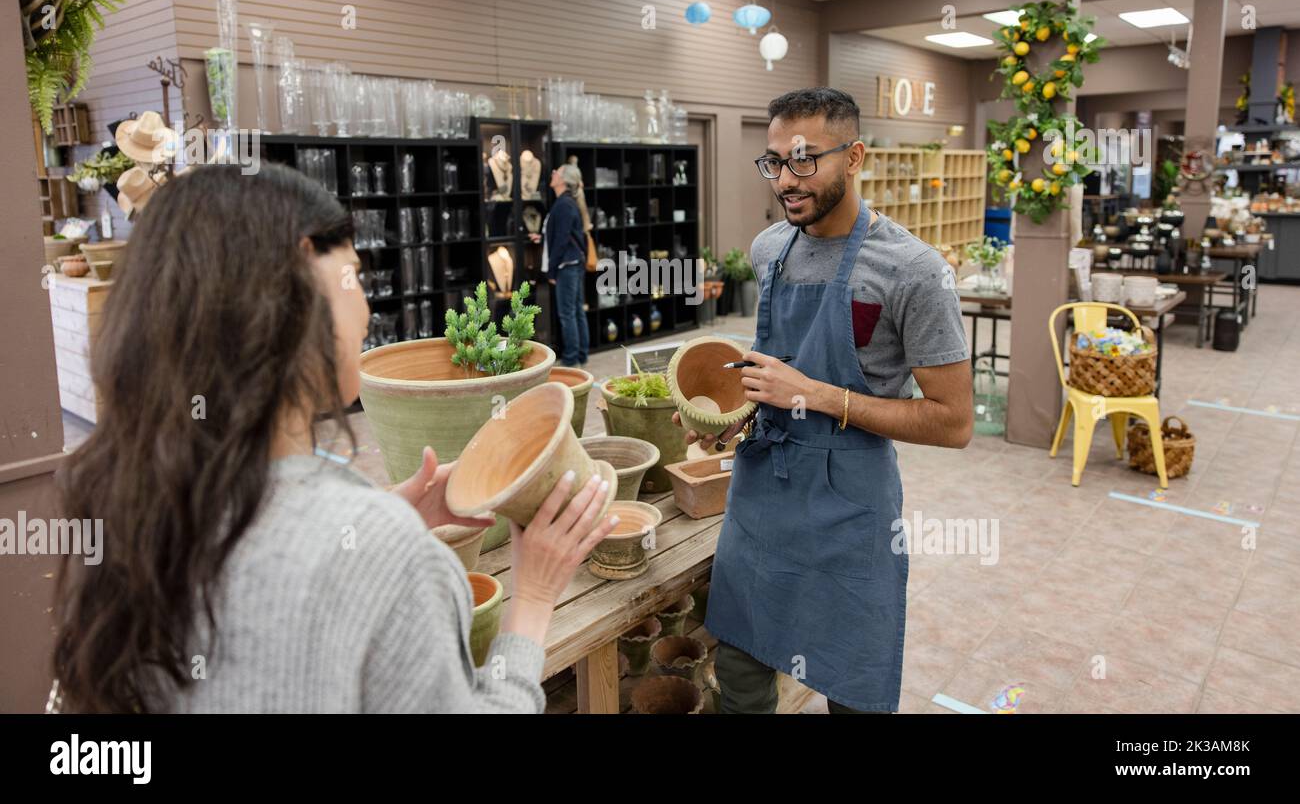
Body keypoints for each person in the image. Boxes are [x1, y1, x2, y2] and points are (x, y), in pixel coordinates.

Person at [50, 164, 616, 712]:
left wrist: (365, 522)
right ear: (297, 283)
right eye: (353, 275)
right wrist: (535, 599)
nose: (368, 310)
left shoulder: (133, 504)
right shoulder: (389, 555)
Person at [676, 87, 972, 714]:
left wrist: (816, 395)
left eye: (805, 160)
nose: (786, 179)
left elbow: (954, 422)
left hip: (850, 506)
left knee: (852, 680)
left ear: (856, 156)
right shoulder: (769, 250)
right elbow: (775, 374)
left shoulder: (913, 271)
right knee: (740, 661)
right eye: (774, 161)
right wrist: (731, 417)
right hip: (763, 491)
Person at [540, 163, 590, 367]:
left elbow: (561, 240)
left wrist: (551, 269)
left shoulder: (563, 205)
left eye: (556, 172)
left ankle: (570, 359)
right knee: (576, 310)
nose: (552, 173)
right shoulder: (567, 203)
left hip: (566, 265)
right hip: (573, 263)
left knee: (567, 313)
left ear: (563, 180)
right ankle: (581, 354)